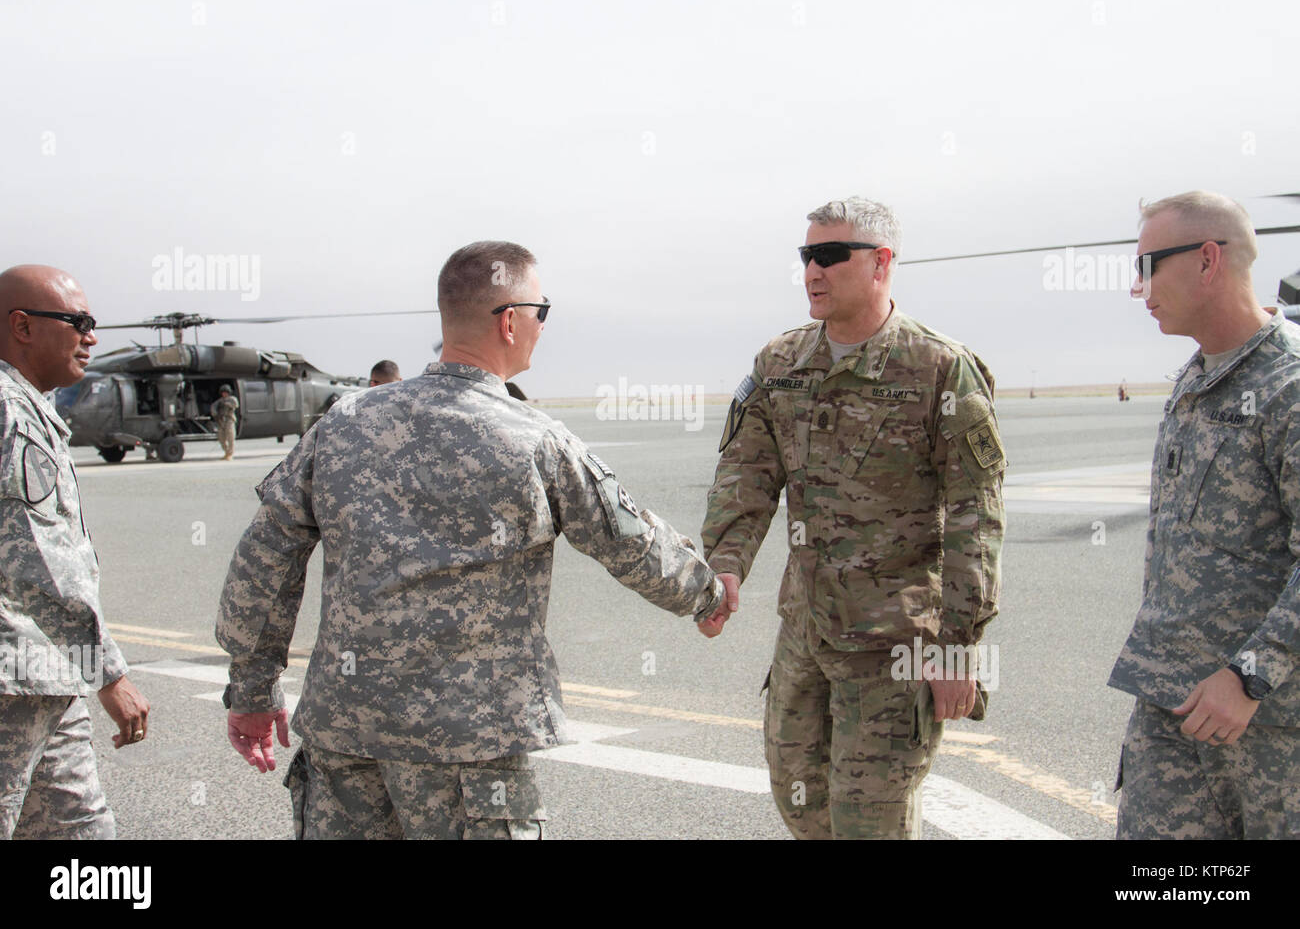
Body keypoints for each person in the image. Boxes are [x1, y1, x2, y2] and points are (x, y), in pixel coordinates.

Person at [215, 241, 736, 840]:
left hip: (347, 737)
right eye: (542, 311)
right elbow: (629, 541)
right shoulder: (534, 439)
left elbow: (265, 559)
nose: (543, 327)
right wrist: (706, 596)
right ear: (510, 321)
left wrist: (252, 688)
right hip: (472, 747)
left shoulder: (343, 424)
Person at [701, 198, 1006, 839]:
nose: (813, 270)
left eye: (831, 255)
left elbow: (976, 517)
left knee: (870, 824)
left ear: (880, 262)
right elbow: (745, 478)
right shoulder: (780, 365)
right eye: (807, 256)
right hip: (805, 635)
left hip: (894, 647)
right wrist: (723, 568)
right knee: (799, 800)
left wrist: (957, 646)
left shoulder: (939, 369)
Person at [1109, 191, 1300, 839]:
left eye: (1148, 266)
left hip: (1268, 726)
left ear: (1208, 260)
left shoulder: (1289, 386)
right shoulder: (1195, 382)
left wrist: (1251, 675)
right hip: (1172, 711)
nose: (1140, 290)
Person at [0, 264, 150, 839]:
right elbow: (36, 561)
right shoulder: (11, 415)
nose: (92, 336)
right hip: (13, 679)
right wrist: (108, 672)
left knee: (81, 830)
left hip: (43, 674)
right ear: (22, 326)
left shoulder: (30, 407)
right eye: (78, 321)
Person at [210, 385, 239, 460]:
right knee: (221, 438)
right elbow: (213, 407)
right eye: (223, 393)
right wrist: (215, 413)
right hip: (221, 420)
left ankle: (230, 453)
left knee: (230, 437)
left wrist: (227, 404)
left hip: (229, 419)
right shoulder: (220, 401)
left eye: (226, 392)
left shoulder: (232, 399)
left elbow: (235, 405)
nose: (224, 394)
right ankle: (226, 452)